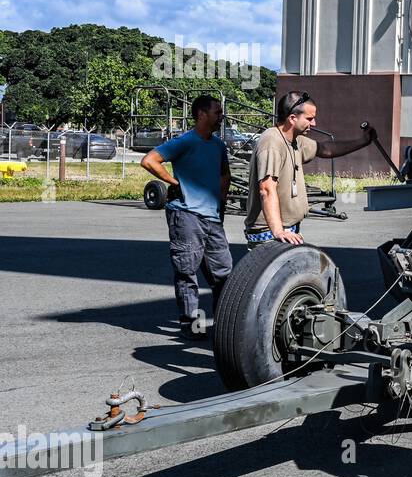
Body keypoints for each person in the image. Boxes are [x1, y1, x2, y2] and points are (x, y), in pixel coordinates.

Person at [140, 95, 231, 340]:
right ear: (201, 114)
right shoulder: (185, 142)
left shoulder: (218, 146)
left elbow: (225, 174)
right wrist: (173, 181)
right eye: (217, 112)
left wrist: (221, 201)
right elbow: (149, 160)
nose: (221, 116)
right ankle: (191, 325)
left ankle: (224, 324)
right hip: (186, 216)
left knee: (224, 274)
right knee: (187, 271)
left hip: (211, 218)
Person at [244, 91, 376, 247]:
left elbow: (325, 149)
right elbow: (266, 189)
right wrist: (278, 231)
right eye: (309, 119)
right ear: (292, 118)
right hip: (270, 236)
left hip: (286, 233)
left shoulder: (295, 140)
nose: (314, 124)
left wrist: (363, 141)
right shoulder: (272, 142)